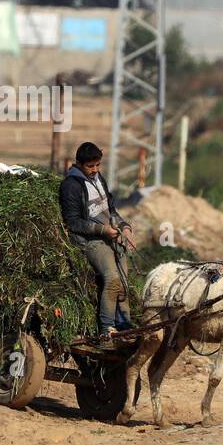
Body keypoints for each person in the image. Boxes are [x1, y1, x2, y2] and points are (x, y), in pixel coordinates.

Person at [59, 142, 133, 347]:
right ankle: (106, 332)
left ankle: (125, 327)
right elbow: (73, 222)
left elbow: (111, 209)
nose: (95, 170)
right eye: (91, 166)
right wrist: (102, 230)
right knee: (113, 280)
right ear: (80, 164)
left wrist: (124, 227)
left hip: (111, 236)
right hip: (89, 241)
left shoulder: (99, 178)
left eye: (98, 165)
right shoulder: (71, 185)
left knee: (124, 283)